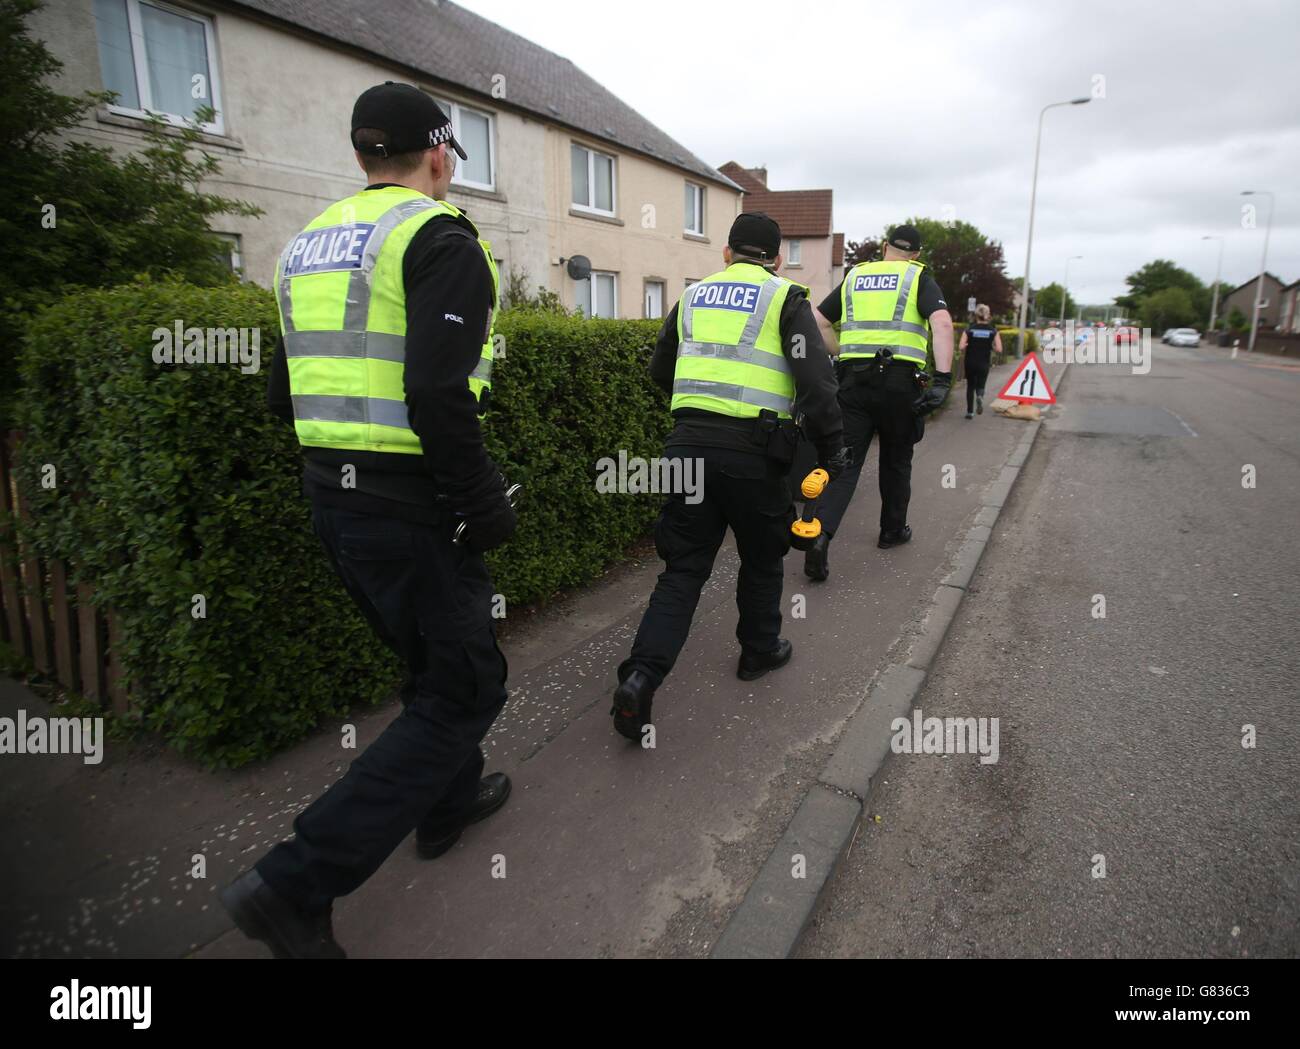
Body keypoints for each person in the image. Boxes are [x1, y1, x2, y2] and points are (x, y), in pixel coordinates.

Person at [220, 82, 516, 958]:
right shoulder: (439, 237)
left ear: (361, 155)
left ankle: (447, 803)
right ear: (439, 156)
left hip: (334, 499)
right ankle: (295, 883)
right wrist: (482, 503)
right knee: (467, 688)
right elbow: (436, 391)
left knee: (430, 667)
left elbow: (284, 393)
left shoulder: (304, 246)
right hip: (410, 505)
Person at [611, 213, 846, 741]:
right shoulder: (785, 298)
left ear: (725, 253)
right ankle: (758, 651)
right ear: (777, 259)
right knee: (762, 557)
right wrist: (834, 449)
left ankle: (640, 677)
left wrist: (700, 410)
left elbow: (660, 370)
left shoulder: (692, 297)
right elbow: (817, 384)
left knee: (683, 569)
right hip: (754, 454)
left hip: (687, 447)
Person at [803, 224, 954, 582]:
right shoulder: (917, 277)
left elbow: (818, 321)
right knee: (896, 459)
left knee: (845, 462)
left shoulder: (855, 276)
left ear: (886, 247)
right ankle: (892, 531)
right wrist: (943, 380)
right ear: (916, 254)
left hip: (853, 382)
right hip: (900, 385)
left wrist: (842, 354)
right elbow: (943, 324)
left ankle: (820, 535)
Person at [961, 304, 1002, 419]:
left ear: (976, 315)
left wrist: (968, 344)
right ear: (987, 315)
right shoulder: (993, 331)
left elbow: (961, 346)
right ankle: (979, 396)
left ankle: (970, 412)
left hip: (970, 362)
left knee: (970, 386)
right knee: (981, 384)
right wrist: (992, 346)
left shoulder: (969, 329)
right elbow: (999, 349)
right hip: (984, 362)